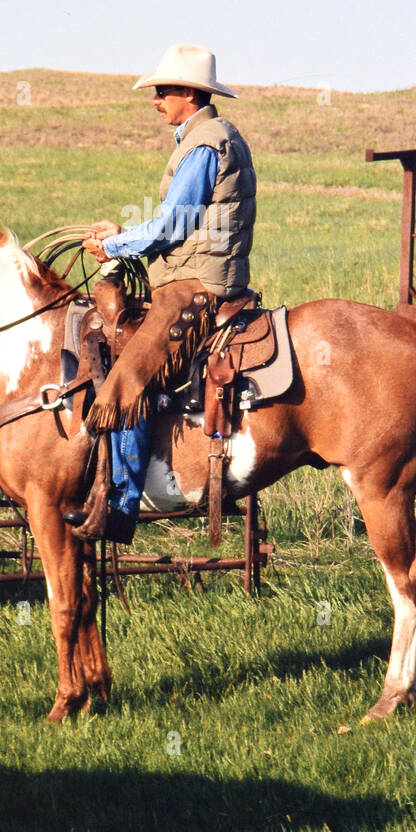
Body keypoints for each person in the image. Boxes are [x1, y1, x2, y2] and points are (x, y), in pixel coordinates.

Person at [64, 44, 256, 543]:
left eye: (163, 90)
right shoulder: (211, 137)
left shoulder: (201, 145)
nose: (155, 99)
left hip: (199, 286)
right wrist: (124, 234)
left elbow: (175, 224)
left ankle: (119, 502)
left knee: (129, 374)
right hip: (201, 274)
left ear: (189, 94)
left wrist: (113, 244)